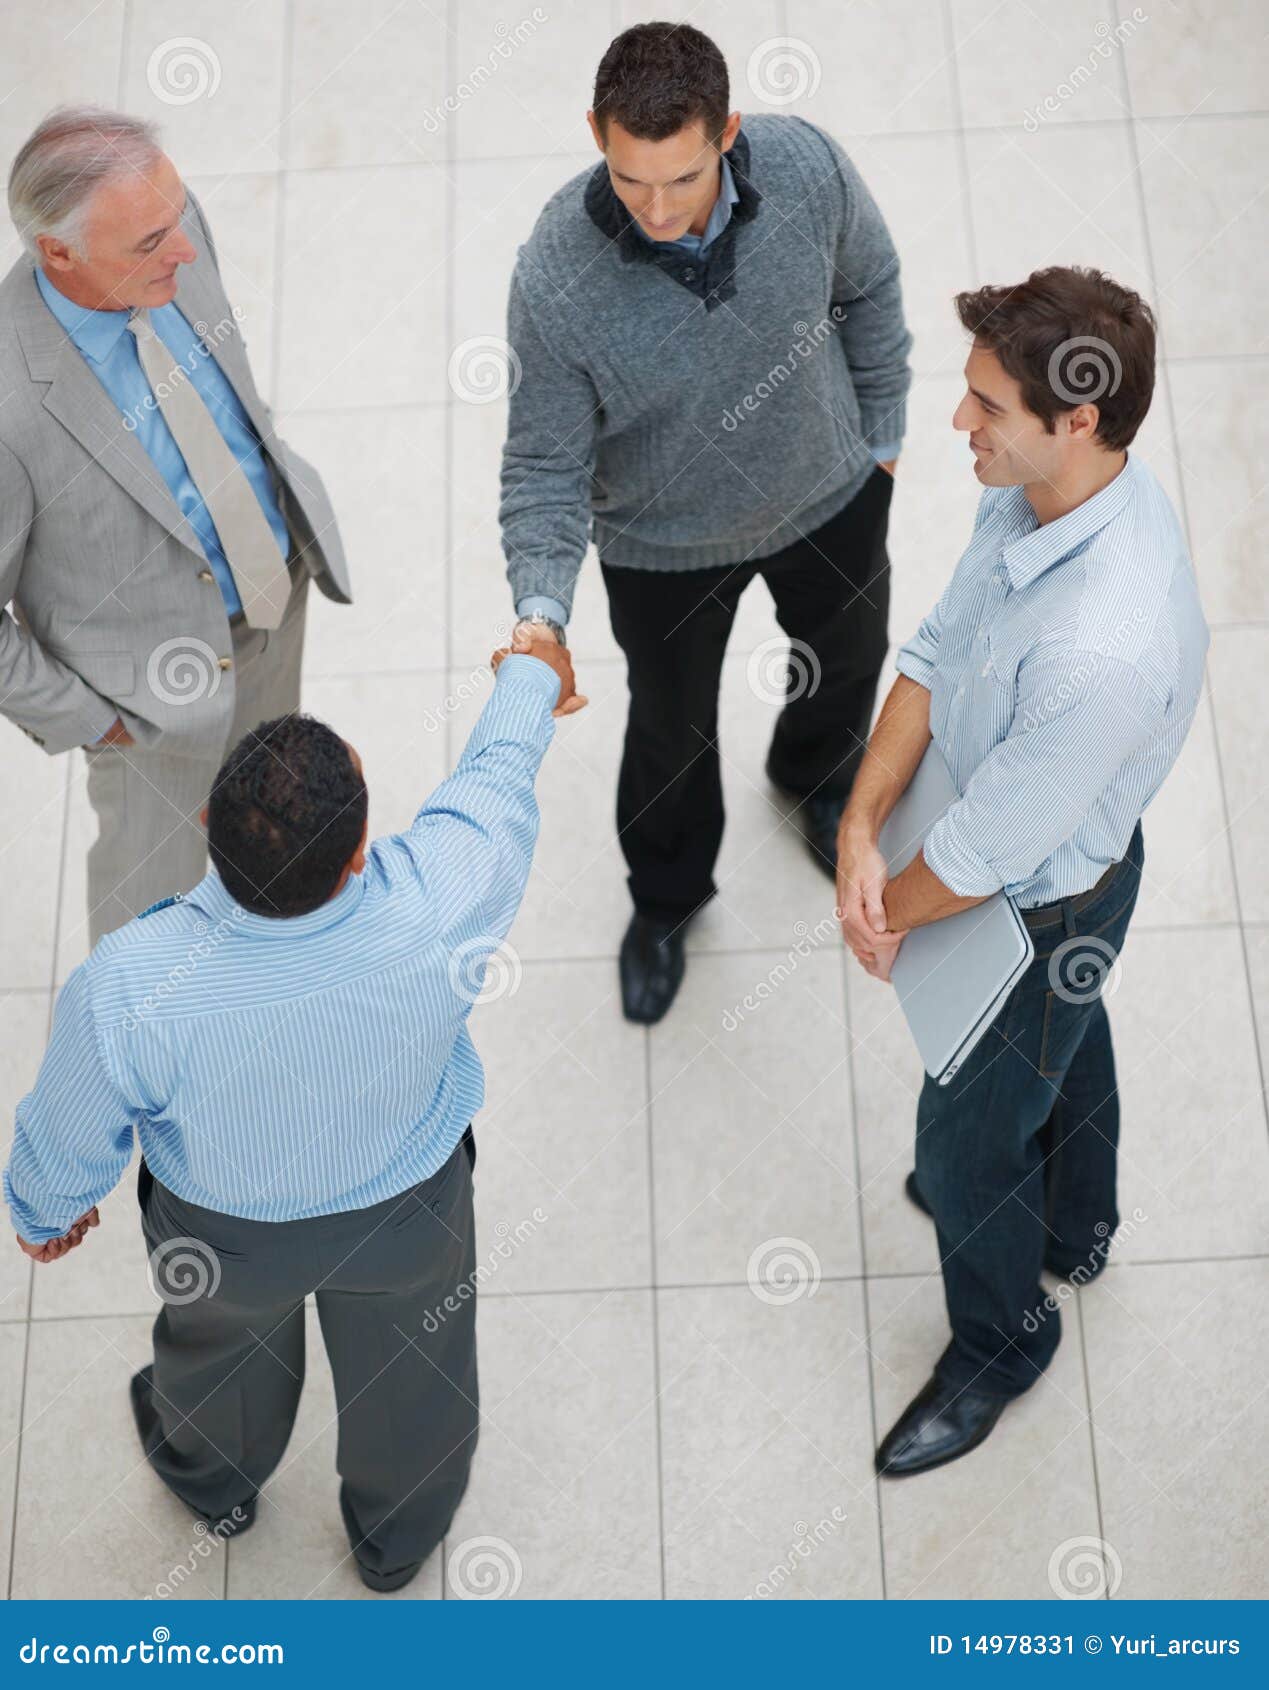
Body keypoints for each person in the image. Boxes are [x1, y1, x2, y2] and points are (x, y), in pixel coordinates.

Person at [3, 635, 585, 1592]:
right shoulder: (438, 902)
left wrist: (43, 1214)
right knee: (415, 1376)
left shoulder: (128, 984)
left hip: (222, 1243)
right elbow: (495, 777)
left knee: (214, 1358)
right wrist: (533, 670)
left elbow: (67, 1131)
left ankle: (215, 1486)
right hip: (409, 1220)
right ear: (359, 854)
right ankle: (396, 1541)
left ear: (206, 823)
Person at [836, 267, 1209, 1476]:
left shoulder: (1105, 644)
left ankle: (1002, 1345)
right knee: (1069, 1037)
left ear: (1078, 418)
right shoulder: (1038, 495)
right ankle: (1077, 1223)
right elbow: (936, 651)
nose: (959, 423)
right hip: (1037, 863)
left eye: (986, 405)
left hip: (1045, 900)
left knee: (960, 1143)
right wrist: (858, 823)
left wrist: (877, 911)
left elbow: (979, 857)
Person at [499, 21, 911, 1024]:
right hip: (662, 546)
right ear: (596, 133)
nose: (656, 210)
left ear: (727, 132)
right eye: (630, 180)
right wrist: (539, 615)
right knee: (668, 735)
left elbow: (869, 286)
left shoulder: (806, 168)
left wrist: (882, 437)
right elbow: (544, 464)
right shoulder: (554, 273)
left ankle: (816, 781)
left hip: (828, 491)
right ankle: (666, 900)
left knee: (848, 660)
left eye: (681, 179)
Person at [0, 105, 351, 943]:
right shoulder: (9, 403)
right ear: (59, 253)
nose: (185, 250)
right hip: (148, 709)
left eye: (178, 215)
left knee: (272, 845)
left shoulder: (171, 236)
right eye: (152, 241)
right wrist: (94, 722)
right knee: (150, 911)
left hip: (272, 603)